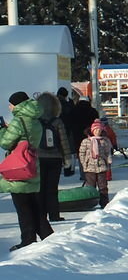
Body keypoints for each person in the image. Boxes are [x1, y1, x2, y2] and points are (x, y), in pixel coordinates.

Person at [1, 92, 51, 251]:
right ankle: (48, 236)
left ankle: (28, 239)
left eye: (11, 104)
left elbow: (5, 143)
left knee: (23, 207)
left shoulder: (18, 121)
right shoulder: (35, 119)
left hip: (18, 168)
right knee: (35, 205)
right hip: (31, 164)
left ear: (17, 104)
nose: (9, 107)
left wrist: (2, 129)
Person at [36, 92, 74, 224]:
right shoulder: (57, 121)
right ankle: (54, 214)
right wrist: (67, 158)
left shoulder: (35, 122)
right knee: (52, 188)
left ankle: (40, 215)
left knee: (40, 188)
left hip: (39, 158)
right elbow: (64, 141)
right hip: (55, 158)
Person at [79, 120, 113, 208]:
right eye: (95, 130)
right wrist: (84, 163)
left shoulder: (105, 141)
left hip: (101, 166)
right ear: (92, 130)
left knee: (103, 186)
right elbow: (82, 153)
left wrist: (109, 161)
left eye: (99, 130)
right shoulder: (86, 141)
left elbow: (108, 152)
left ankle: (104, 203)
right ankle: (90, 202)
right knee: (90, 186)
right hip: (90, 167)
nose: (97, 131)